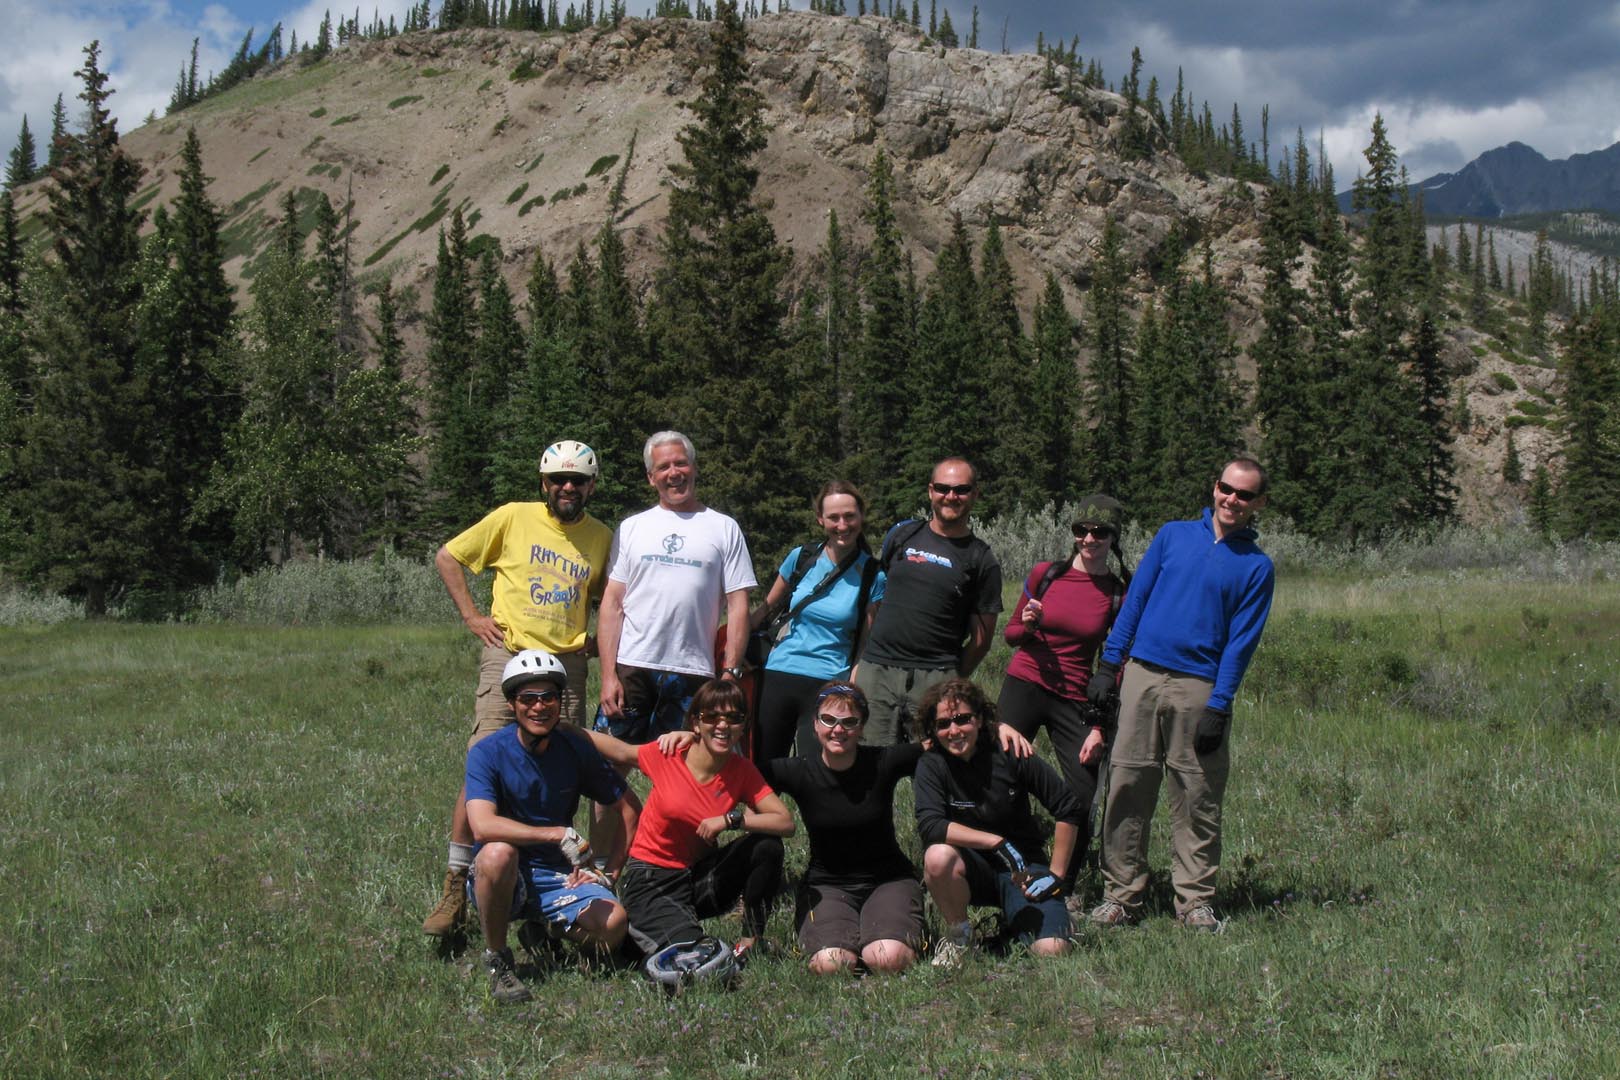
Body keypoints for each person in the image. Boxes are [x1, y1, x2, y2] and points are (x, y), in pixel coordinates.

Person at [422, 440, 613, 937]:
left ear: (592, 486)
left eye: (577, 480)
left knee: (562, 764)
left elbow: (609, 597)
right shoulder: (512, 517)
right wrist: (471, 615)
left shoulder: (601, 537)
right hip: (509, 655)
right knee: (482, 761)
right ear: (543, 483)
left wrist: (598, 643)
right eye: (557, 479)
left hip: (566, 666)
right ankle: (455, 883)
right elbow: (449, 557)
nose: (567, 487)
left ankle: (552, 879)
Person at [1086, 458, 1276, 932]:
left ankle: (1194, 901)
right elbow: (1136, 600)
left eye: (1244, 495)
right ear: (1214, 488)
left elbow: (1241, 643)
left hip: (1200, 686)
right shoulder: (1172, 535)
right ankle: (1121, 894)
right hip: (1143, 675)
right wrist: (1110, 665)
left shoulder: (1256, 567)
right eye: (1225, 488)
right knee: (1128, 784)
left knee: (1197, 792)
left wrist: (1220, 703)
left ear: (1258, 504)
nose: (1232, 500)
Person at [754, 681, 1032, 976]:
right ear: (815, 724)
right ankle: (844, 940)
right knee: (831, 965)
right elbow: (740, 774)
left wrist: (996, 729)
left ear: (862, 727)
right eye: (829, 720)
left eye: (850, 722)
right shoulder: (797, 770)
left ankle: (887, 937)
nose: (839, 729)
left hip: (889, 880)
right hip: (826, 884)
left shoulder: (882, 761)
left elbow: (944, 740)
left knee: (888, 960)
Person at [462, 650, 640, 1003]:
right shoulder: (487, 753)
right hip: (501, 873)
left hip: (559, 874)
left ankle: (547, 931)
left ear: (560, 702)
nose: (539, 707)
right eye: (528, 699)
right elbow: (482, 826)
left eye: (549, 697)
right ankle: (499, 961)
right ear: (512, 704)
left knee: (614, 924)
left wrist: (610, 875)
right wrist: (557, 833)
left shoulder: (573, 747)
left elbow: (631, 809)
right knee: (498, 853)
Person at [587, 680, 795, 968]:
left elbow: (785, 821)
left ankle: (750, 942)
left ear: (743, 725)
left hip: (697, 876)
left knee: (766, 846)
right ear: (696, 722)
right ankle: (621, 941)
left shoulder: (741, 770)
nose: (723, 725)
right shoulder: (670, 753)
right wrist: (564, 729)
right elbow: (621, 752)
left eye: (734, 718)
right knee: (692, 955)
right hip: (651, 877)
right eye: (712, 717)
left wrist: (731, 819)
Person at [997, 493, 1132, 895]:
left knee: (1081, 792)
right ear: (1073, 533)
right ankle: (1004, 868)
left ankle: (1063, 885)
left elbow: (1118, 661)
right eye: (1082, 531)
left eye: (1100, 532)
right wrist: (1028, 624)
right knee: (1000, 774)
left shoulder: (1117, 593)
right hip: (1024, 682)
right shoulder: (1046, 574)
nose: (1090, 540)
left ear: (1113, 537)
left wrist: (1100, 727)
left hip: (1075, 696)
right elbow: (1012, 636)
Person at [594, 431, 756, 745]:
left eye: (681, 464)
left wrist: (730, 673)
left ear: (694, 468)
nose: (674, 473)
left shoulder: (724, 528)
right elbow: (612, 604)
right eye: (664, 467)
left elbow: (738, 606)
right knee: (609, 766)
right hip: (633, 666)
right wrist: (608, 675)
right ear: (650, 477)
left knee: (685, 772)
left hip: (693, 670)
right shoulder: (632, 528)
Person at [913, 678, 1083, 968]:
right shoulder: (932, 763)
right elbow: (931, 825)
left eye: (962, 719)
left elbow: (1067, 807)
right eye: (943, 724)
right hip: (970, 869)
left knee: (1052, 949)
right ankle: (960, 939)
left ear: (979, 719)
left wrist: (1056, 876)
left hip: (1024, 869)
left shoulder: (1010, 751)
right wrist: (994, 841)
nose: (953, 731)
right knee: (937, 855)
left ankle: (1015, 925)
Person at [855, 457, 1004, 746]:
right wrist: (861, 660)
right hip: (877, 671)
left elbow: (982, 640)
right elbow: (877, 600)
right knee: (868, 767)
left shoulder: (981, 559)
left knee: (935, 769)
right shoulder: (901, 535)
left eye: (961, 489)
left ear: (975, 494)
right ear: (930, 491)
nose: (951, 496)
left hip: (936, 677)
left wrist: (952, 676)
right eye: (943, 488)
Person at [748, 482, 884, 761]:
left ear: (861, 516)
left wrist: (852, 692)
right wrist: (730, 651)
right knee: (763, 768)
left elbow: (863, 646)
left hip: (829, 684)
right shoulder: (801, 558)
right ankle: (759, 809)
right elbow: (765, 609)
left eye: (849, 516)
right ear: (820, 520)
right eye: (834, 517)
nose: (842, 525)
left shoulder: (873, 575)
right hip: (778, 674)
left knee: (818, 773)